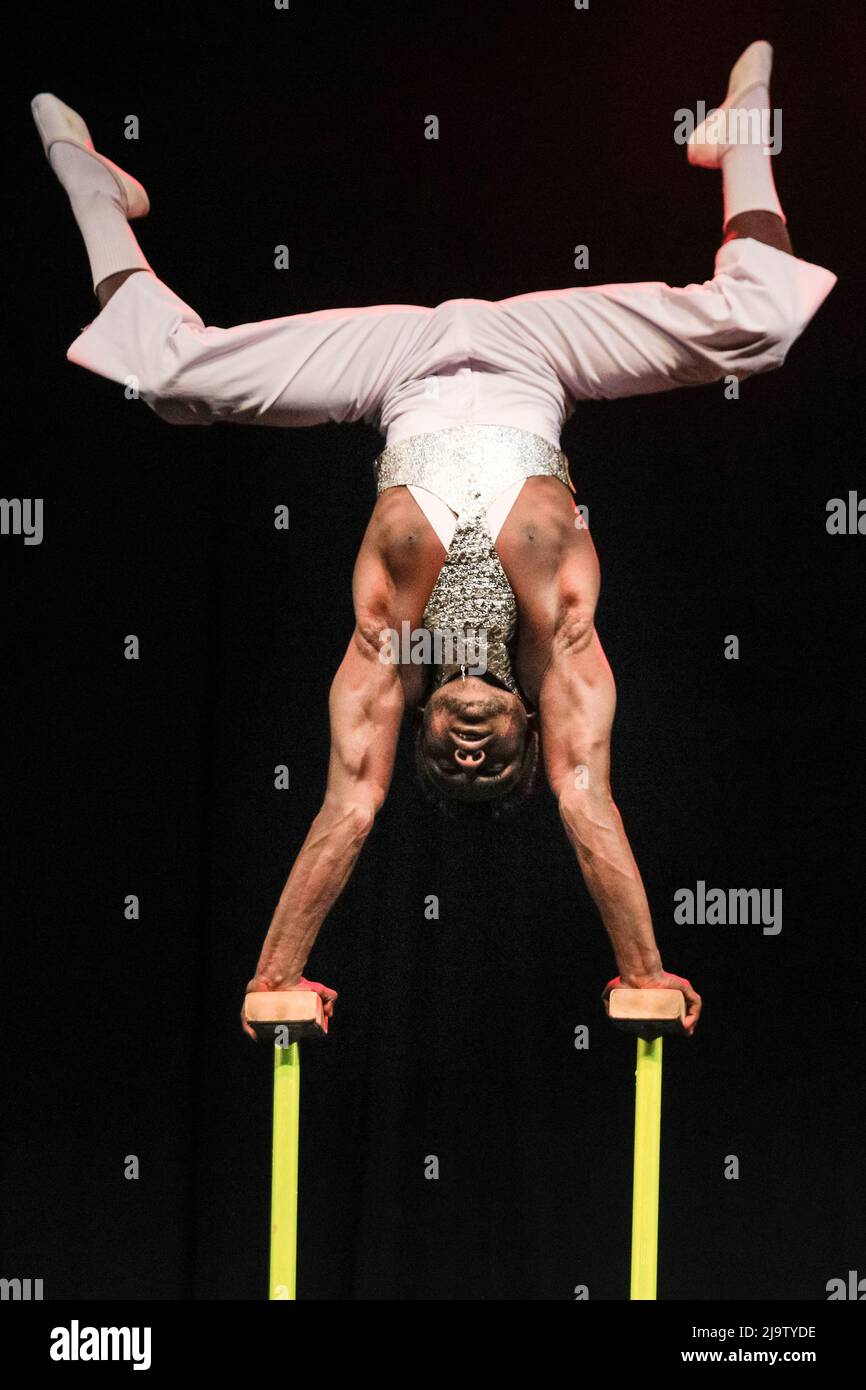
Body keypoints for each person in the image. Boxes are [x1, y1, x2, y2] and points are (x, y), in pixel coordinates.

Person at [32, 42, 835, 1038]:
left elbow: (348, 808)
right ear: (528, 740)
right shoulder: (568, 647)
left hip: (396, 372)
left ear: (408, 733)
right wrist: (644, 972)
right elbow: (587, 812)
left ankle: (82, 171)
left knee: (163, 376)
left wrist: (274, 976)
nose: (465, 753)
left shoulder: (383, 645)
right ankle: (741, 132)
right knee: (759, 326)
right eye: (490, 766)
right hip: (538, 360)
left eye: (445, 766)